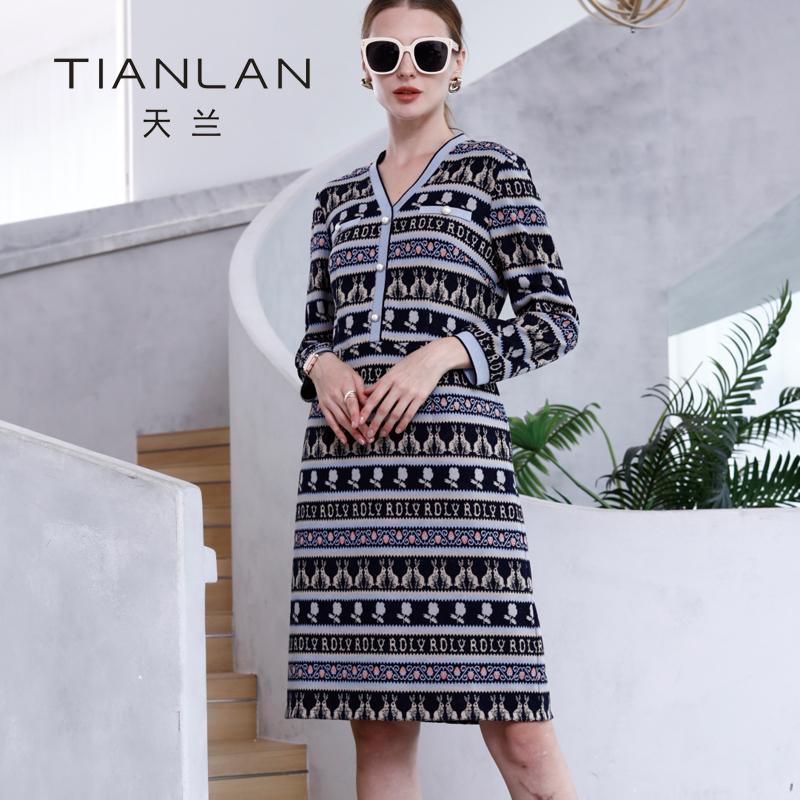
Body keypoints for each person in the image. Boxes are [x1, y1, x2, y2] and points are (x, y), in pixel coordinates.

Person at [285, 1, 581, 797]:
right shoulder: (335, 201)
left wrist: (445, 352)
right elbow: (315, 331)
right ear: (366, 66)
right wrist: (321, 365)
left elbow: (555, 322)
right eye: (387, 52)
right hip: (348, 484)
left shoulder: (494, 171)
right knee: (379, 731)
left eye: (427, 51)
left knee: (519, 732)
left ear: (457, 61)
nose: (406, 68)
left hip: (459, 479)